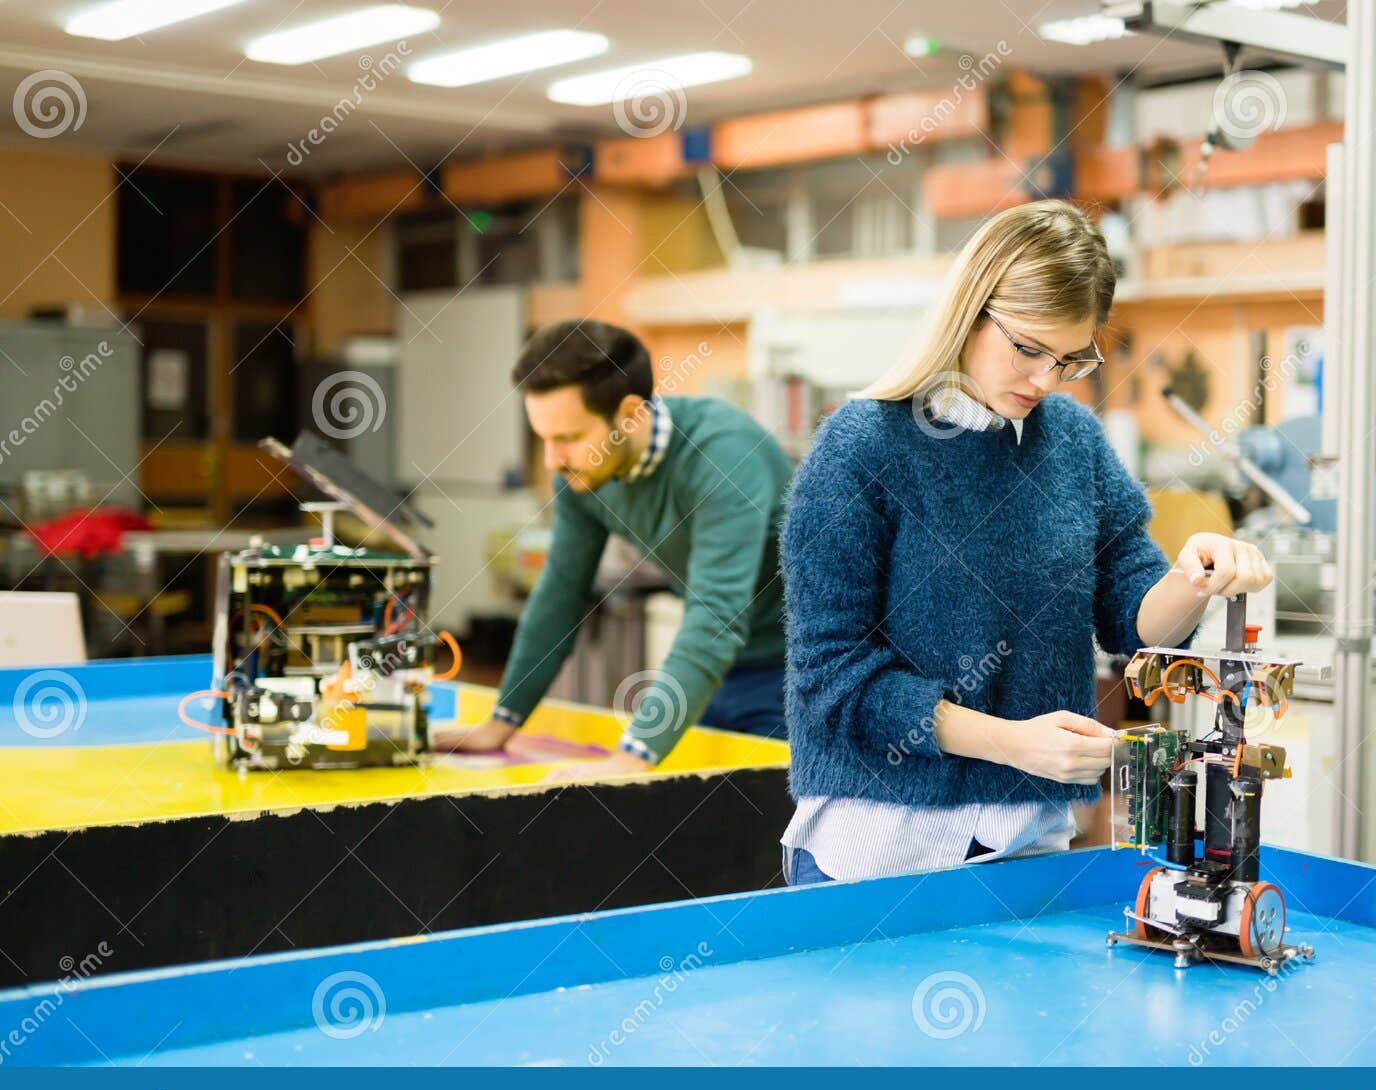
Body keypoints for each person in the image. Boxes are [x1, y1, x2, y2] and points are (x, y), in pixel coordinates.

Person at [778, 199, 1273, 884]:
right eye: (1028, 348)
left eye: (1071, 358)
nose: (1044, 379)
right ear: (969, 309)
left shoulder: (1071, 442)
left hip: (1030, 846)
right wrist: (1011, 743)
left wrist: (1195, 575)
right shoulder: (863, 447)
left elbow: (1135, 621)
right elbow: (833, 679)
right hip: (880, 850)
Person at [436, 320, 791, 775]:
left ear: (631, 416)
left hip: (795, 675)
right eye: (543, 438)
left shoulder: (723, 455)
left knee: (768, 829)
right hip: (715, 675)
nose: (551, 460)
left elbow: (716, 617)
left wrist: (631, 757)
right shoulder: (582, 475)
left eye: (567, 438)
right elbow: (560, 593)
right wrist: (501, 722)